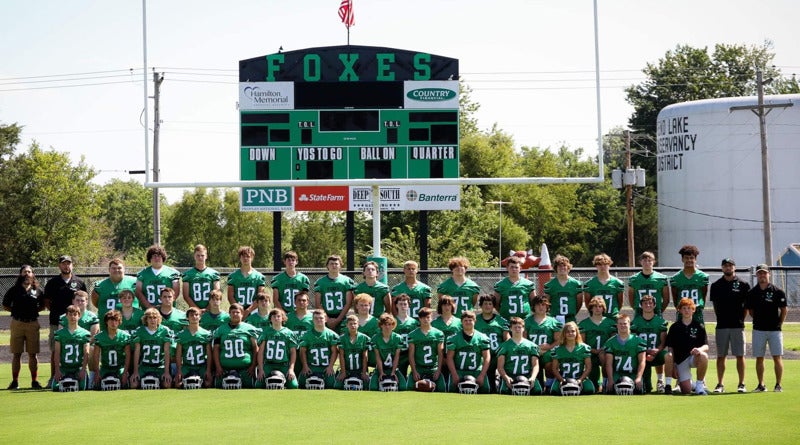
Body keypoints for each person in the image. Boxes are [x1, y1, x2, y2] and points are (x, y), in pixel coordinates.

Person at [44, 255, 87, 385]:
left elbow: (83, 300)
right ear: (59, 266)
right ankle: (54, 377)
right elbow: (47, 302)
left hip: (75, 322)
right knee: (55, 350)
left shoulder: (79, 282)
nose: (66, 266)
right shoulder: (52, 282)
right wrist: (59, 313)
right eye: (63, 263)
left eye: (68, 263)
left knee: (79, 349)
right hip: (57, 321)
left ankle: (80, 375)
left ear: (72, 265)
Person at [709, 258, 750, 393]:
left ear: (734, 267)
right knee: (721, 356)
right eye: (725, 266)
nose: (728, 268)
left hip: (738, 326)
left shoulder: (744, 285)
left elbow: (746, 307)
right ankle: (720, 384)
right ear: (722, 268)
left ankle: (741, 384)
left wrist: (740, 320)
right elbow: (715, 306)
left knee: (740, 355)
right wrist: (721, 318)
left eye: (730, 265)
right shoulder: (716, 285)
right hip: (722, 326)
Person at [745, 264, 787, 393]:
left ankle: (778, 384)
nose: (762, 275)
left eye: (764, 273)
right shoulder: (752, 293)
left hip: (775, 330)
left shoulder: (777, 291)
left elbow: (784, 310)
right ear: (757, 275)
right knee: (759, 357)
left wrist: (779, 323)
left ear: (769, 274)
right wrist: (758, 320)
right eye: (759, 273)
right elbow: (750, 311)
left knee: (777, 357)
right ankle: (761, 385)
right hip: (758, 329)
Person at [2, 265, 45, 390]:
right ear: (20, 274)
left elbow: (42, 306)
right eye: (24, 272)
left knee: (33, 354)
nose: (27, 274)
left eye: (29, 272)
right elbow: (5, 305)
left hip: (32, 323)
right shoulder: (14, 290)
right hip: (17, 323)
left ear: (33, 274)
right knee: (17, 354)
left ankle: (34, 381)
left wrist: (31, 312)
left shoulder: (37, 290)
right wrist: (17, 312)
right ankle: (15, 381)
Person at [665, 298, 709, 395]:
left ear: (693, 310)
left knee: (704, 356)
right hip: (681, 360)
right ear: (679, 310)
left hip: (694, 358)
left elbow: (706, 346)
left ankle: (699, 386)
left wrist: (699, 349)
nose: (686, 311)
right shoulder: (674, 327)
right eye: (684, 308)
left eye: (689, 308)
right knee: (686, 390)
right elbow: (670, 348)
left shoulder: (699, 326)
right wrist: (673, 365)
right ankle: (691, 384)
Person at [631, 295, 672, 393]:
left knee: (669, 356)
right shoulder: (636, 322)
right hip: (642, 355)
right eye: (645, 303)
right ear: (641, 305)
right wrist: (645, 352)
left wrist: (656, 351)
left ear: (654, 305)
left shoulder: (660, 322)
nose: (648, 305)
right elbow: (633, 341)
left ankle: (667, 384)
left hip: (656, 353)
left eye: (650, 303)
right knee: (647, 388)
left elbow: (663, 342)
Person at [213, 303, 260, 388]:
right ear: (229, 314)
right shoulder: (220, 330)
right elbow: (216, 349)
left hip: (245, 370)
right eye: (233, 312)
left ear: (242, 314)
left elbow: (255, 348)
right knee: (218, 385)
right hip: (225, 369)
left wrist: (253, 366)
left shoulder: (249, 329)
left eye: (237, 312)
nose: (235, 314)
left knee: (249, 385)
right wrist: (218, 367)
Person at [445, 310, 491, 394]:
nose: (468, 322)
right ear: (461, 322)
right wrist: (454, 374)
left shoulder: (482, 338)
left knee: (485, 390)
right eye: (465, 320)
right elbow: (449, 358)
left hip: (476, 371)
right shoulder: (454, 338)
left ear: (475, 321)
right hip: (459, 371)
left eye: (470, 320)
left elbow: (487, 357)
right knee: (451, 390)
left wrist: (482, 375)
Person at [577, 296, 616, 390]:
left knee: (604, 357)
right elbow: (581, 342)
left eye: (600, 306)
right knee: (593, 386)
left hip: (605, 352)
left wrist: (603, 349)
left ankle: (606, 381)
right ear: (591, 308)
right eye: (595, 306)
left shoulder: (610, 322)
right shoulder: (584, 323)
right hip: (590, 353)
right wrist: (594, 350)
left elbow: (613, 340)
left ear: (603, 308)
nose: (597, 309)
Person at [523, 295, 563, 388]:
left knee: (550, 358)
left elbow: (558, 341)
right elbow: (523, 340)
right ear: (533, 307)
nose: (541, 307)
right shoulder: (527, 321)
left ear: (547, 307)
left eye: (543, 305)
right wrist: (534, 349)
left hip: (547, 351)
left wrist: (548, 347)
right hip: (531, 351)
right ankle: (536, 382)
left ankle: (549, 384)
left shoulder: (553, 322)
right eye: (538, 305)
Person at [497, 317, 542, 395]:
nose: (517, 329)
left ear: (523, 328)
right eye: (515, 327)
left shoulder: (531, 346)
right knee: (504, 391)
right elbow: (500, 367)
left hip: (527, 377)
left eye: (519, 327)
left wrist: (533, 378)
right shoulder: (504, 346)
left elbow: (535, 365)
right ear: (510, 328)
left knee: (537, 391)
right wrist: (506, 378)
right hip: (511, 377)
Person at [603, 314, 646, 395]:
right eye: (620, 323)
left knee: (639, 391)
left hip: (632, 374)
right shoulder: (610, 342)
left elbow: (642, 361)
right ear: (617, 325)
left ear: (629, 325)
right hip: (617, 374)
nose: (623, 326)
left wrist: (638, 377)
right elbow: (608, 364)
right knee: (610, 391)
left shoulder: (639, 341)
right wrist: (611, 379)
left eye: (625, 323)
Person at [474, 294, 509, 393]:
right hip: (480, 355)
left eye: (490, 304)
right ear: (481, 305)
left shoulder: (501, 321)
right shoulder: (475, 321)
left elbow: (507, 339)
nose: (487, 306)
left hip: (496, 355)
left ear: (493, 306)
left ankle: (498, 382)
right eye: (485, 303)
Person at [130, 308, 173, 389]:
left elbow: (167, 352)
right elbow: (137, 351)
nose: (152, 320)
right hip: (144, 367)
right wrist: (135, 371)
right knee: (133, 384)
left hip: (160, 366)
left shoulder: (165, 331)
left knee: (167, 385)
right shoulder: (139, 331)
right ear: (146, 319)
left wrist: (167, 372)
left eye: (154, 317)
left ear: (158, 319)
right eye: (150, 318)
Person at [51, 305, 92, 391]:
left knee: (82, 387)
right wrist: (57, 370)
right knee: (55, 387)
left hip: (78, 368)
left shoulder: (85, 333)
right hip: (64, 368)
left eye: (75, 314)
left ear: (79, 316)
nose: (72, 317)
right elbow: (57, 353)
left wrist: (84, 369)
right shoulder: (59, 334)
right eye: (70, 314)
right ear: (66, 316)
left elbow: (86, 353)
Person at [257, 308, 299, 389]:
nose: (276, 318)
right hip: (268, 365)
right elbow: (261, 352)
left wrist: (291, 369)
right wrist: (261, 369)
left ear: (283, 318)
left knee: (294, 386)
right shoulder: (265, 332)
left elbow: (293, 352)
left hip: (284, 365)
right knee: (258, 385)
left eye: (278, 316)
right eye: (274, 316)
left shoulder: (289, 333)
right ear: (270, 319)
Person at [550, 322, 595, 395]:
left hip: (579, 378)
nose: (570, 333)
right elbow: (554, 368)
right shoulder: (557, 349)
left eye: (573, 331)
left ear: (577, 332)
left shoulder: (584, 348)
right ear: (564, 334)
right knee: (554, 391)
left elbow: (588, 367)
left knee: (590, 390)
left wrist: (580, 380)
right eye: (567, 332)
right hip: (563, 378)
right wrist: (562, 380)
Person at [407, 308, 446, 392]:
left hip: (433, 368)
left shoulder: (438, 334)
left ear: (431, 318)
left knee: (442, 388)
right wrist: (414, 371)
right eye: (423, 317)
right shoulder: (412, 335)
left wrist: (439, 370)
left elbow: (440, 353)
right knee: (409, 387)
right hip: (419, 368)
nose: (426, 319)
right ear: (419, 319)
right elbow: (411, 355)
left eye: (428, 317)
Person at [91, 310, 132, 390]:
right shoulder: (100, 337)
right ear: (106, 322)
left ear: (119, 322)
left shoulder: (125, 336)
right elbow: (96, 356)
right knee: (96, 386)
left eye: (116, 320)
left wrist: (125, 372)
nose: (113, 323)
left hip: (119, 368)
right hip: (105, 368)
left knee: (125, 384)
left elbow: (128, 355)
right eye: (111, 320)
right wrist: (97, 372)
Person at [298, 309, 339, 389]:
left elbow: (335, 352)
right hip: (311, 366)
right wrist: (305, 366)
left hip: (326, 367)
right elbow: (302, 352)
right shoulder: (306, 335)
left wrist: (331, 366)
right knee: (301, 383)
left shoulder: (331, 335)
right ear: (312, 320)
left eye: (321, 318)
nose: (318, 320)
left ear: (326, 319)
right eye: (316, 318)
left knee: (331, 385)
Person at [313, 254, 356, 331]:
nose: (334, 266)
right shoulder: (320, 282)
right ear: (327, 266)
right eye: (331, 264)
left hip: (342, 317)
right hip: (325, 317)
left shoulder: (346, 281)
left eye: (336, 264)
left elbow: (349, 303)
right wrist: (327, 319)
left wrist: (338, 320)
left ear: (340, 266)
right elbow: (318, 303)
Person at [670, 244, 710, 325]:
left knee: (699, 335)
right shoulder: (675, 278)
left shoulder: (703, 277)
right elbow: (675, 298)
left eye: (691, 258)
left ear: (695, 259)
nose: (689, 260)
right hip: (682, 312)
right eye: (686, 258)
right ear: (682, 259)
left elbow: (703, 295)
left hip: (697, 311)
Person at [174, 307, 213, 388]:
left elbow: (209, 354)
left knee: (208, 383)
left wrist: (208, 370)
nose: (194, 317)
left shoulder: (206, 334)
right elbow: (178, 354)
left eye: (196, 315)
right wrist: (179, 370)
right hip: (187, 366)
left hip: (201, 366)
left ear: (200, 317)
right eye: (191, 315)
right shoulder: (181, 335)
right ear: (187, 318)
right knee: (177, 384)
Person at [136, 245, 181, 309]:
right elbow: (138, 292)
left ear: (163, 257)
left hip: (167, 310)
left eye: (159, 256)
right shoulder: (142, 274)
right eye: (154, 256)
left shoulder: (172, 273)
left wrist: (165, 306)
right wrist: (148, 306)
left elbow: (176, 291)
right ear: (150, 258)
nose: (157, 258)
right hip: (148, 310)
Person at [370, 313, 407, 391]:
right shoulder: (375, 338)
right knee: (373, 387)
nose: (387, 327)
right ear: (381, 325)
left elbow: (397, 356)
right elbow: (378, 357)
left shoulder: (398, 338)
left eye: (389, 324)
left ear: (393, 325)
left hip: (393, 368)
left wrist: (393, 372)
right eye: (385, 324)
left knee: (403, 387)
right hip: (380, 368)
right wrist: (381, 372)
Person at [227, 246, 266, 316]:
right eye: (243, 256)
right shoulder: (233, 276)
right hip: (237, 311)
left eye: (248, 256)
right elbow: (230, 297)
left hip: (254, 311)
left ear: (252, 258)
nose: (245, 258)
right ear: (240, 258)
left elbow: (260, 297)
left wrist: (248, 310)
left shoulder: (259, 276)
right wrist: (238, 309)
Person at [543, 255, 583, 323]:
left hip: (570, 318)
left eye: (564, 265)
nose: (562, 268)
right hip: (555, 318)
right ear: (556, 268)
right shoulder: (549, 285)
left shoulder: (576, 284)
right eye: (559, 266)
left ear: (568, 267)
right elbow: (546, 303)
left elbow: (579, 303)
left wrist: (572, 313)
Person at [627, 251, 670, 316]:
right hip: (639, 313)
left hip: (656, 313)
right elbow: (631, 299)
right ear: (640, 262)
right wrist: (637, 309)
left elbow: (666, 299)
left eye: (649, 260)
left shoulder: (661, 278)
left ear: (654, 262)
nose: (647, 263)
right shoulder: (634, 279)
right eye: (644, 260)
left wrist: (660, 310)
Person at [493, 256, 534, 321]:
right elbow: (496, 304)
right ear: (507, 268)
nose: (514, 269)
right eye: (512, 267)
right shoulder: (500, 285)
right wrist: (504, 313)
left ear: (520, 268)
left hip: (524, 320)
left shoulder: (528, 284)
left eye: (516, 267)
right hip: (506, 320)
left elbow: (534, 302)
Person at [583, 253, 624, 318]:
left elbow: (620, 303)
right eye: (599, 264)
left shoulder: (618, 283)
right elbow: (588, 304)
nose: (602, 267)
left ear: (609, 265)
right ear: (596, 266)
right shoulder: (589, 284)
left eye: (605, 264)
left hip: (612, 318)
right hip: (597, 318)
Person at [335, 314, 370, 390]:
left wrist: (364, 372)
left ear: (358, 325)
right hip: (347, 370)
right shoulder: (342, 338)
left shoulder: (364, 338)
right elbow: (341, 356)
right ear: (347, 325)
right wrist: (343, 372)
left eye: (355, 323)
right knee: (337, 385)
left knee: (367, 385)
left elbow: (365, 356)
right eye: (350, 324)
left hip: (360, 370)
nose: (353, 325)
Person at [181, 244, 221, 310]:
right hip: (194, 311)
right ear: (194, 256)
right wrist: (197, 309)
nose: (200, 258)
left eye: (202, 255)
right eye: (198, 255)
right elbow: (186, 296)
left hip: (211, 310)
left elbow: (217, 294)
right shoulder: (188, 274)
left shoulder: (213, 274)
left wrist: (207, 309)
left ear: (206, 256)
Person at [393, 294, 420, 377]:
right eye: (400, 304)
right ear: (396, 305)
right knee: (400, 377)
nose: (403, 306)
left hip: (411, 352)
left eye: (405, 304)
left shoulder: (414, 323)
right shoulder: (393, 321)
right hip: (398, 354)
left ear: (409, 305)